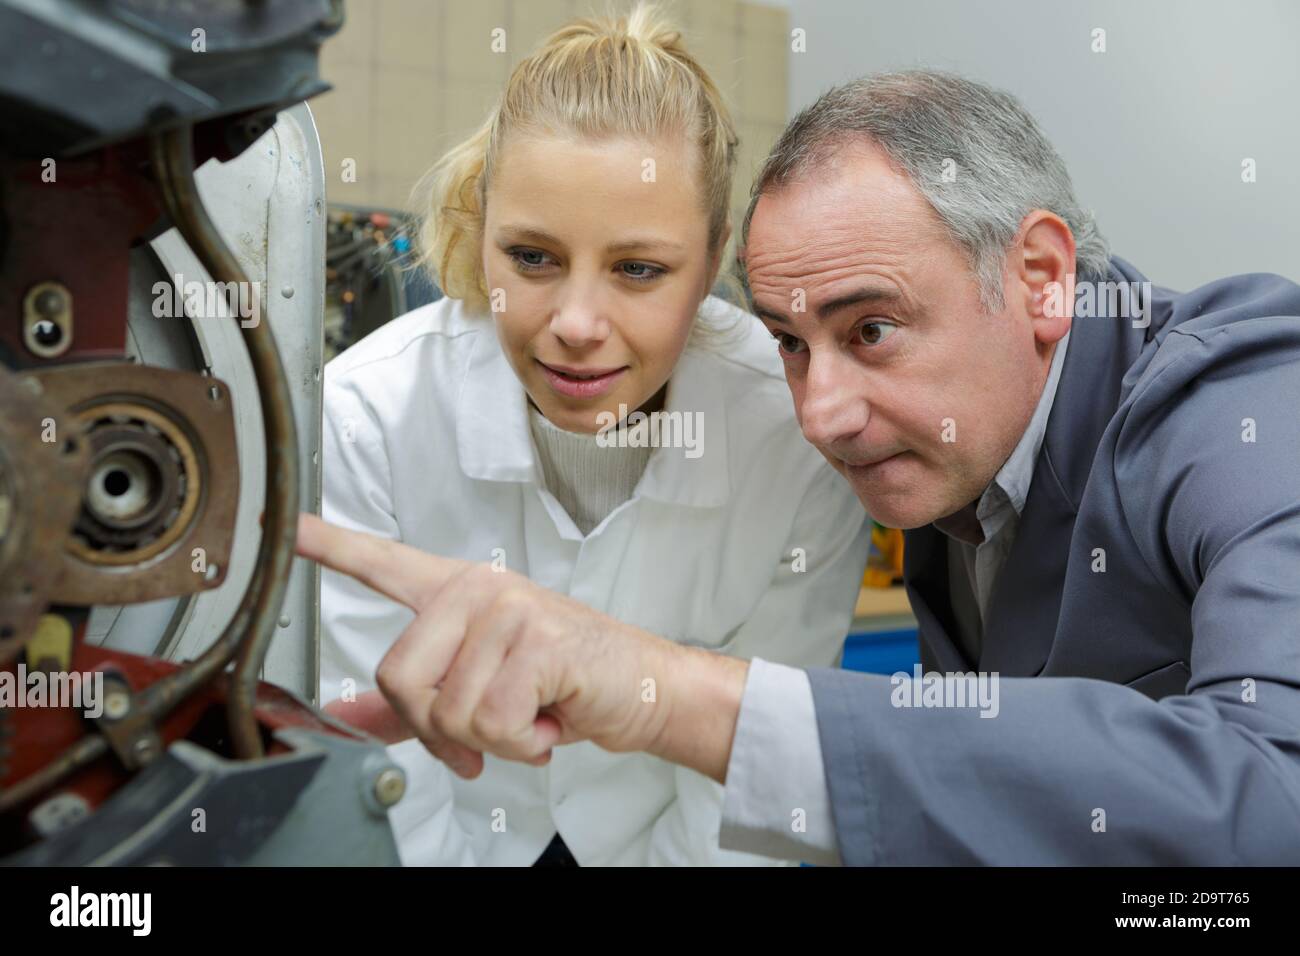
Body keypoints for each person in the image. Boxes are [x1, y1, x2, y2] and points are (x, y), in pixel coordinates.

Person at [301, 69, 1300, 865]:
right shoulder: (963, 476)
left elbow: (1271, 792)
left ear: (1038, 277)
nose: (818, 416)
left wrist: (662, 685)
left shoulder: (1248, 406)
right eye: (788, 339)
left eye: (871, 328)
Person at [316, 6, 870, 867]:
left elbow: (753, 761)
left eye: (638, 270)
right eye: (531, 258)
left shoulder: (794, 430)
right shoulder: (369, 414)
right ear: (483, 227)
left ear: (718, 254)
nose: (576, 324)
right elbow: (374, 769)